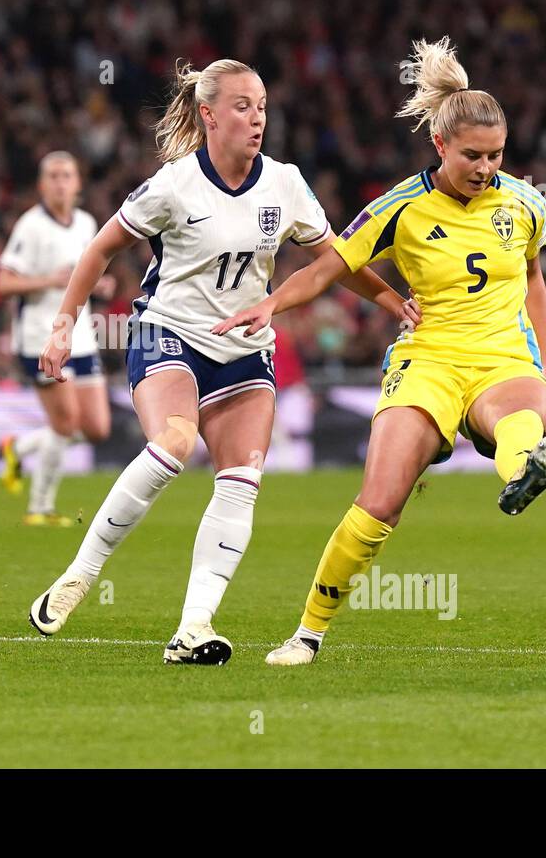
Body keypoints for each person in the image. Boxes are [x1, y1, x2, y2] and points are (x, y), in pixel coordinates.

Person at [27, 59, 420, 664]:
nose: (257, 117)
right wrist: (62, 324)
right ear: (208, 116)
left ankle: (194, 629)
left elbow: (336, 259)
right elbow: (102, 247)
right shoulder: (174, 185)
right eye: (242, 106)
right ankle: (80, 573)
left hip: (243, 349)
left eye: (262, 105)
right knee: (177, 442)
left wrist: (395, 301)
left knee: (242, 479)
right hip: (170, 332)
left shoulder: (285, 184)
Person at [213, 37, 546, 666]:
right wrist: (273, 304)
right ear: (439, 145)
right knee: (378, 504)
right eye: (472, 157)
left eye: (497, 156)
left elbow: (533, 279)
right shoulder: (398, 208)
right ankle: (307, 634)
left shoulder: (526, 202)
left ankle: (526, 471)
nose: (485, 169)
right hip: (426, 361)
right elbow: (330, 266)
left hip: (504, 358)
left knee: (520, 423)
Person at [0, 152, 113, 526]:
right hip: (40, 338)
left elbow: (88, 273)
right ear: (42, 185)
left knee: (96, 428)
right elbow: (2, 283)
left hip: (80, 336)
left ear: (78, 183)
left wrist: (100, 284)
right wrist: (50, 279)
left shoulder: (87, 222)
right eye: (54, 176)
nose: (61, 182)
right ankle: (39, 508)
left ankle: (20, 448)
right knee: (64, 425)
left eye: (67, 175)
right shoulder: (30, 226)